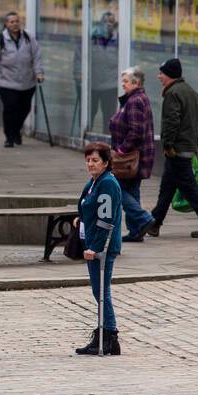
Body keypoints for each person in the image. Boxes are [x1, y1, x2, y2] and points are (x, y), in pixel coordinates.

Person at [146, 58, 198, 238]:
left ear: (170, 75)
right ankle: (154, 223)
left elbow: (172, 120)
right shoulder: (191, 93)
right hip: (187, 146)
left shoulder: (173, 93)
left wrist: (168, 144)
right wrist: (196, 143)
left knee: (189, 188)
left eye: (161, 73)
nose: (158, 76)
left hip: (177, 148)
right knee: (167, 187)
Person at [74, 142, 123, 356]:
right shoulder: (94, 182)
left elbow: (106, 218)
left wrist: (96, 248)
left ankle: (109, 335)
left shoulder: (107, 184)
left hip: (102, 245)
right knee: (99, 290)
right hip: (92, 240)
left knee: (101, 291)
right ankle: (104, 333)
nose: (90, 164)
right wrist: (81, 219)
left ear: (105, 162)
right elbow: (88, 206)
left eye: (95, 160)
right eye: (88, 160)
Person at [108, 67, 156, 242]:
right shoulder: (135, 99)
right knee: (131, 190)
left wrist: (121, 150)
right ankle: (136, 230)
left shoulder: (135, 101)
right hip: (136, 156)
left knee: (117, 189)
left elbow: (136, 131)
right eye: (123, 81)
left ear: (136, 83)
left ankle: (143, 218)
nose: (123, 84)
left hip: (130, 157)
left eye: (126, 81)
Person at [0, 11, 44, 148]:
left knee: (25, 108)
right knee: (10, 108)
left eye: (17, 21)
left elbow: (37, 57)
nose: (15, 24)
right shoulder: (0, 40)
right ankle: (9, 137)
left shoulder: (29, 38)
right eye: (11, 22)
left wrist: (39, 73)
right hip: (6, 82)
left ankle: (16, 130)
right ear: (6, 24)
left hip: (27, 82)